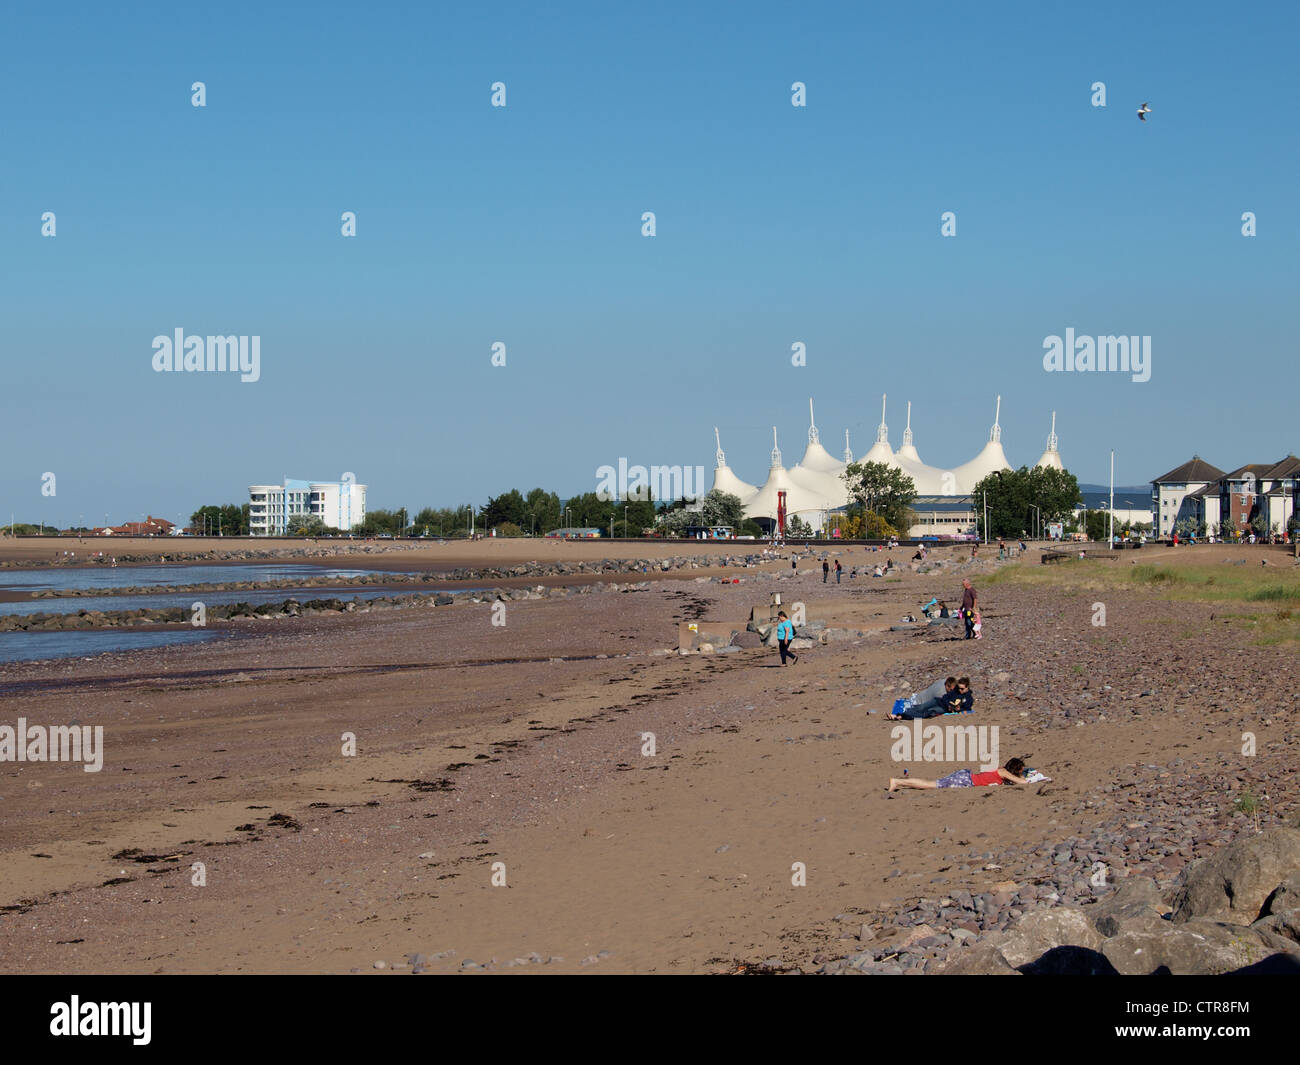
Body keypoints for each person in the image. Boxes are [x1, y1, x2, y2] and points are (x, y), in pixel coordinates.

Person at [888, 757, 1028, 792]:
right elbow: (1022, 782)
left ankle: (898, 782)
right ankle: (898, 781)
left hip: (966, 777)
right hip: (966, 780)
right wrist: (1024, 776)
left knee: (933, 783)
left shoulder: (1002, 771)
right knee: (931, 785)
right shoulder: (1003, 772)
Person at [887, 677, 957, 720]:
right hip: (920, 702)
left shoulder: (944, 681)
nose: (952, 691)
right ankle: (900, 715)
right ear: (947, 686)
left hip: (921, 696)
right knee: (922, 711)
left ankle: (900, 715)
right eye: (951, 690)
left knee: (926, 712)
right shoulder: (941, 693)